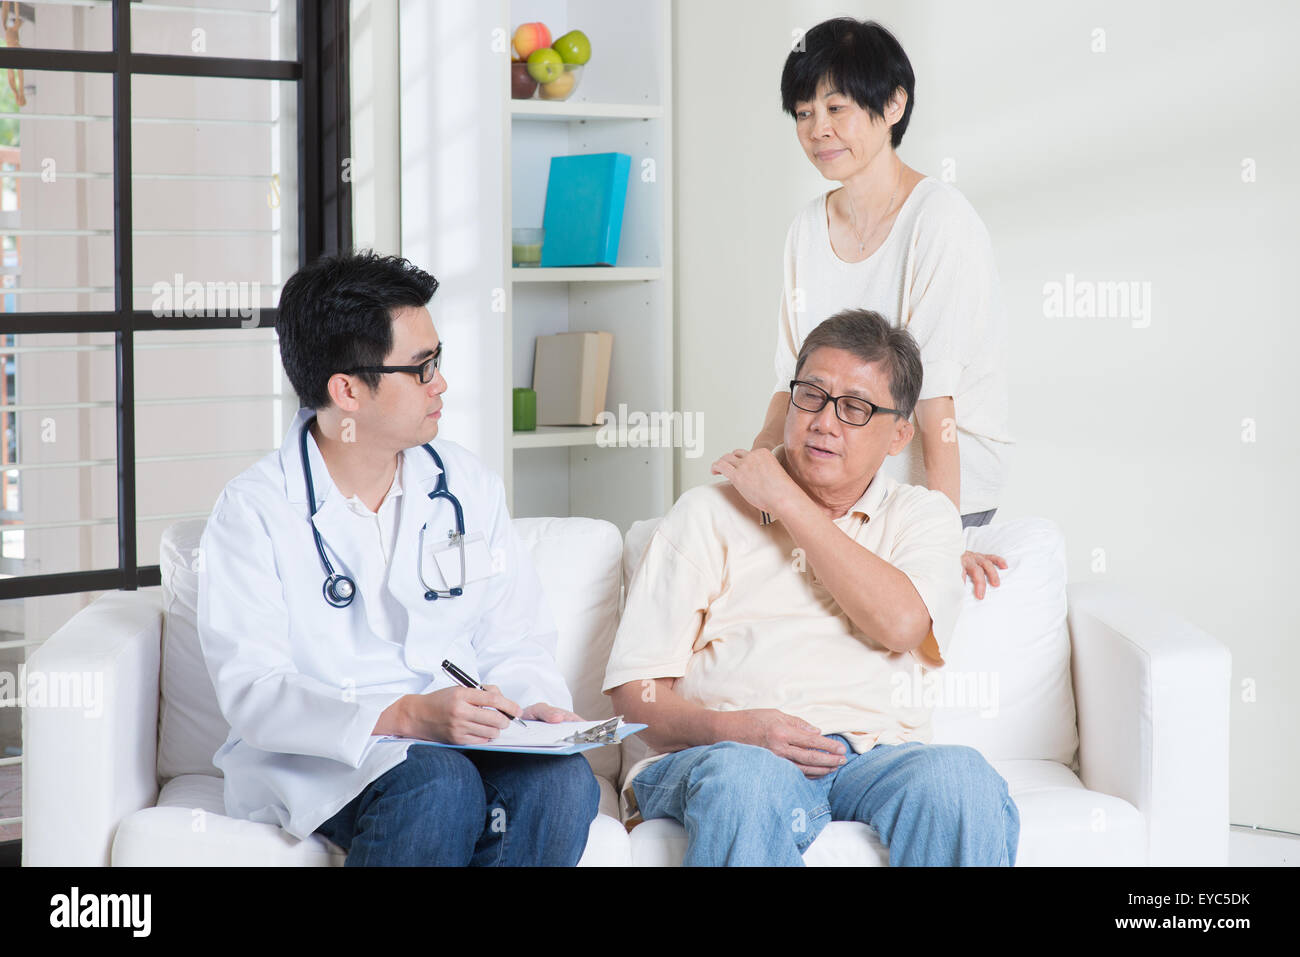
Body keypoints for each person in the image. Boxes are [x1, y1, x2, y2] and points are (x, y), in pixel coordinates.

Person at [197, 251, 599, 866]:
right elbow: (256, 691)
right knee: (438, 785)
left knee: (564, 782)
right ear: (348, 389)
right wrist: (410, 715)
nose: (442, 385)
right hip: (330, 755)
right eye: (421, 369)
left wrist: (528, 708)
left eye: (438, 362)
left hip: (464, 739)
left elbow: (514, 636)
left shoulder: (465, 484)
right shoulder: (254, 510)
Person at [605, 310, 1020, 866]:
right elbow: (636, 695)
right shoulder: (706, 512)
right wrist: (738, 731)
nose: (825, 421)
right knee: (745, 781)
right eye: (811, 396)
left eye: (855, 407)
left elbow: (901, 624)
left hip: (876, 757)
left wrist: (786, 501)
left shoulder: (923, 517)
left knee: (960, 779)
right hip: (728, 754)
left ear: (900, 433)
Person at [752, 17, 1014, 599]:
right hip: (835, 476)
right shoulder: (805, 229)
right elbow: (787, 381)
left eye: (837, 107)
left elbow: (934, 396)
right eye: (803, 113)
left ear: (893, 105)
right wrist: (757, 478)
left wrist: (941, 536)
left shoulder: (939, 219)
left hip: (927, 488)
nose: (818, 129)